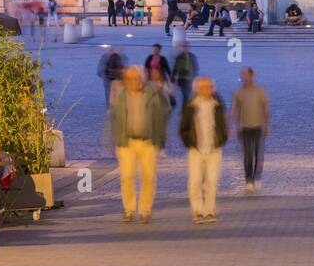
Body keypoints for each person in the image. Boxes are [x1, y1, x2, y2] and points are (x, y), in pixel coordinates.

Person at [107, 66, 170, 223]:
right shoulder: (122, 95)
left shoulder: (152, 92)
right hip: (126, 142)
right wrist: (110, 139)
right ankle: (129, 209)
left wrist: (158, 129)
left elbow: (167, 108)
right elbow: (113, 116)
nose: (135, 81)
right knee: (127, 177)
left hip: (148, 142)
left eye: (138, 78)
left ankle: (145, 210)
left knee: (148, 177)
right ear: (127, 81)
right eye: (131, 79)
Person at [180, 76, 228, 224]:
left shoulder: (217, 105)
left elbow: (223, 124)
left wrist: (221, 139)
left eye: (210, 87)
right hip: (196, 149)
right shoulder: (190, 105)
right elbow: (184, 127)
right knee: (195, 181)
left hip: (214, 148)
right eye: (205, 87)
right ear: (198, 89)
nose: (209, 90)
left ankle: (209, 211)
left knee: (212, 181)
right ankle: (197, 211)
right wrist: (189, 142)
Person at [231, 67, 270, 192]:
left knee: (258, 155)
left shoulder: (260, 91)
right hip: (245, 127)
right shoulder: (238, 92)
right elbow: (235, 111)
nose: (244, 77)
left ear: (252, 76)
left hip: (258, 127)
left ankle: (257, 178)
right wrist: (237, 128)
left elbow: (265, 109)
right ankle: (248, 179)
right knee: (247, 155)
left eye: (246, 75)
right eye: (242, 75)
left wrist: (266, 126)